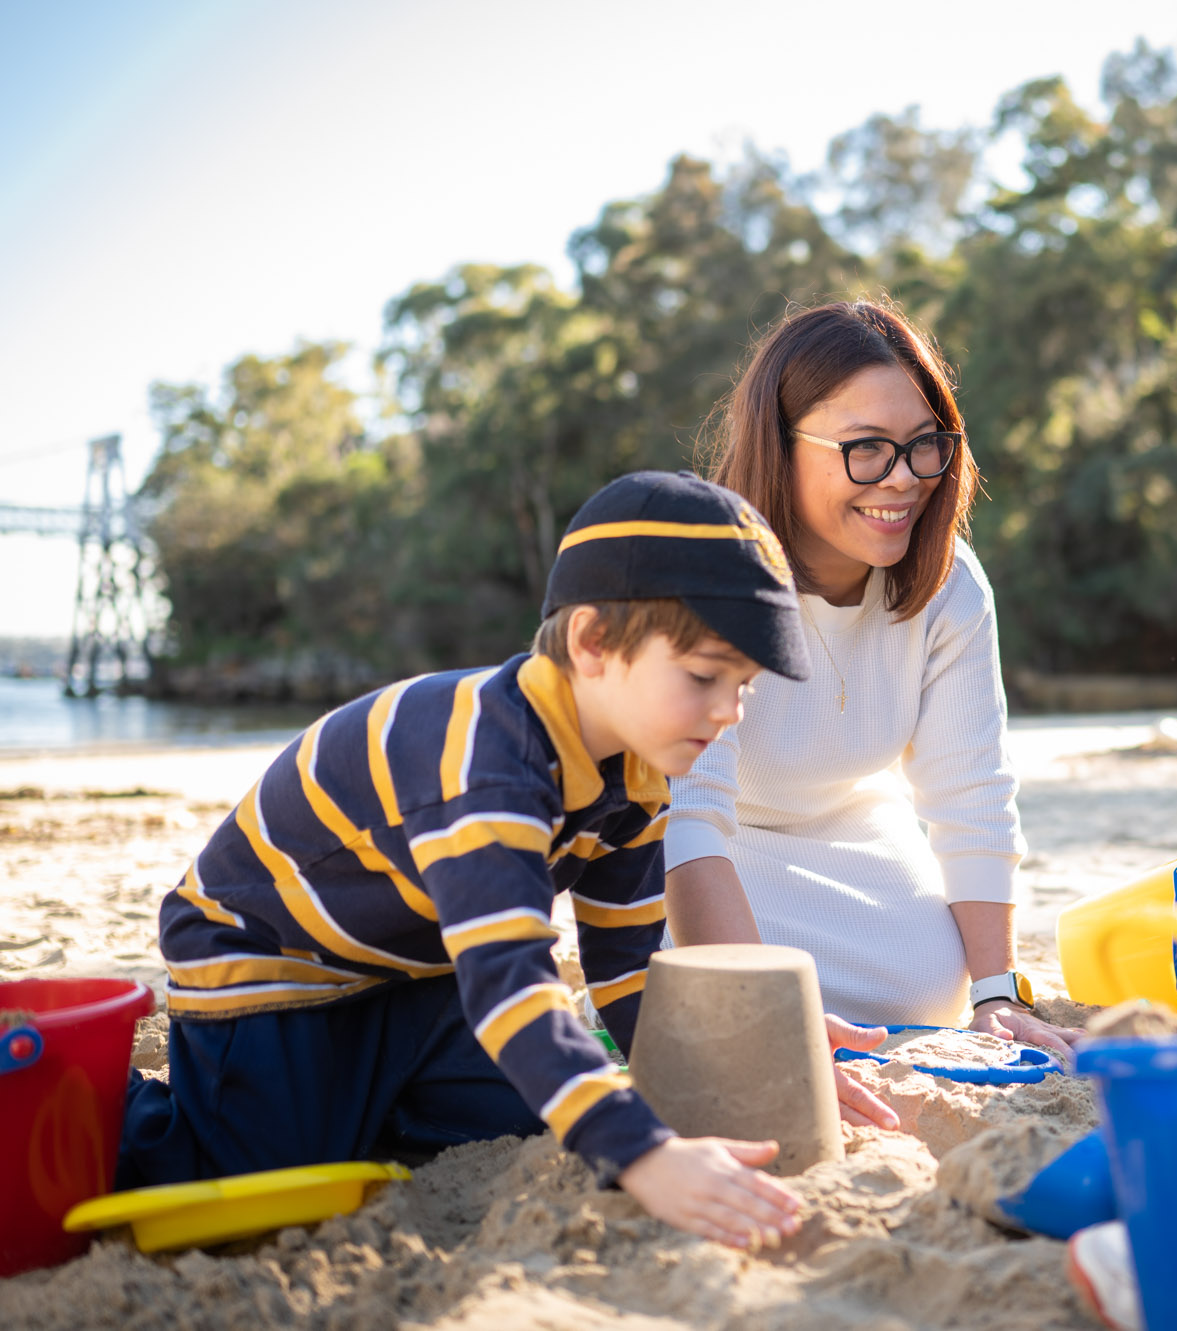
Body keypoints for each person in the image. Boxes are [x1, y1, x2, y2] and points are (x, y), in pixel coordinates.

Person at [119, 471, 900, 1250]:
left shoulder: (641, 774)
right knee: (252, 1187)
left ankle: (374, 1098)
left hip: (414, 973)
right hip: (269, 959)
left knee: (542, 1117)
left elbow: (626, 968)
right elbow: (509, 985)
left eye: (745, 688)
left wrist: (743, 1074)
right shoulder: (487, 764)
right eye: (703, 676)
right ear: (594, 643)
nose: (728, 713)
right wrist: (650, 1157)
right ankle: (113, 1103)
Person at [657, 300, 1077, 1057]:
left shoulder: (952, 585)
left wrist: (993, 992)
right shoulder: (704, 575)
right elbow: (686, 817)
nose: (904, 479)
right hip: (704, 846)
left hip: (853, 826)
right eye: (866, 449)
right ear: (780, 444)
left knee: (930, 983)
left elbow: (971, 791)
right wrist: (762, 1015)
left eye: (925, 446)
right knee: (703, 969)